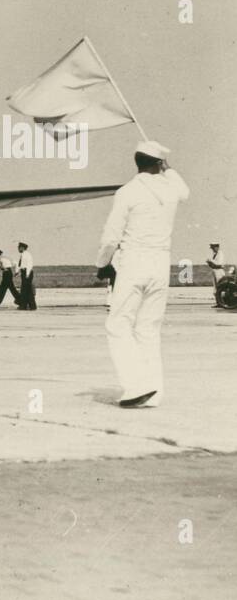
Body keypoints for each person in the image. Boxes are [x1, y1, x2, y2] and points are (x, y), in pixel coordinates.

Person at [95, 140, 189, 408]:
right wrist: (169, 170)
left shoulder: (127, 191)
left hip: (134, 262)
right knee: (149, 329)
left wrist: (102, 263)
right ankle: (154, 392)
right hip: (160, 264)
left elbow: (111, 236)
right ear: (159, 163)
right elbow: (185, 192)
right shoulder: (171, 190)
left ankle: (136, 386)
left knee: (118, 324)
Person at [205, 242, 227, 307]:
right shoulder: (215, 254)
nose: (212, 249)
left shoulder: (220, 254)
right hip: (215, 270)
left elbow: (219, 263)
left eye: (213, 248)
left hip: (219, 271)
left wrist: (211, 260)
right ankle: (218, 302)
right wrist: (209, 263)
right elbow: (214, 264)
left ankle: (222, 302)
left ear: (217, 247)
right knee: (215, 287)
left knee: (221, 286)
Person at [17, 242, 37, 310]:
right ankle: (29, 306)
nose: (18, 248)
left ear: (22, 247)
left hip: (27, 272)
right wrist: (17, 272)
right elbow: (21, 265)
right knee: (25, 290)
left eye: (19, 247)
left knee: (26, 290)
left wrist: (27, 274)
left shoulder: (27, 255)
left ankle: (26, 306)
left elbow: (29, 265)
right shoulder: (23, 255)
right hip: (24, 272)